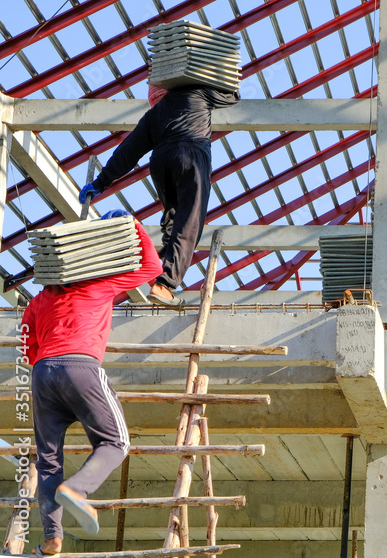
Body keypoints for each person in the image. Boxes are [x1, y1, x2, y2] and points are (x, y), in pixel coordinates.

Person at [23, 211, 163, 556]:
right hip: (81, 365)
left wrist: (48, 369)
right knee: (116, 441)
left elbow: (29, 346)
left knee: (48, 461)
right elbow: (152, 268)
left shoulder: (38, 301)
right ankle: (78, 490)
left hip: (42, 373)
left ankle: (52, 538)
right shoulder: (100, 285)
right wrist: (135, 227)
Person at [79, 83, 240, 306]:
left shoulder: (153, 114)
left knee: (174, 221)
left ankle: (156, 270)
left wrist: (100, 182)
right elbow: (232, 96)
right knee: (189, 222)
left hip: (161, 163)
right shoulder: (197, 92)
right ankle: (164, 284)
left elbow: (127, 152)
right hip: (191, 155)